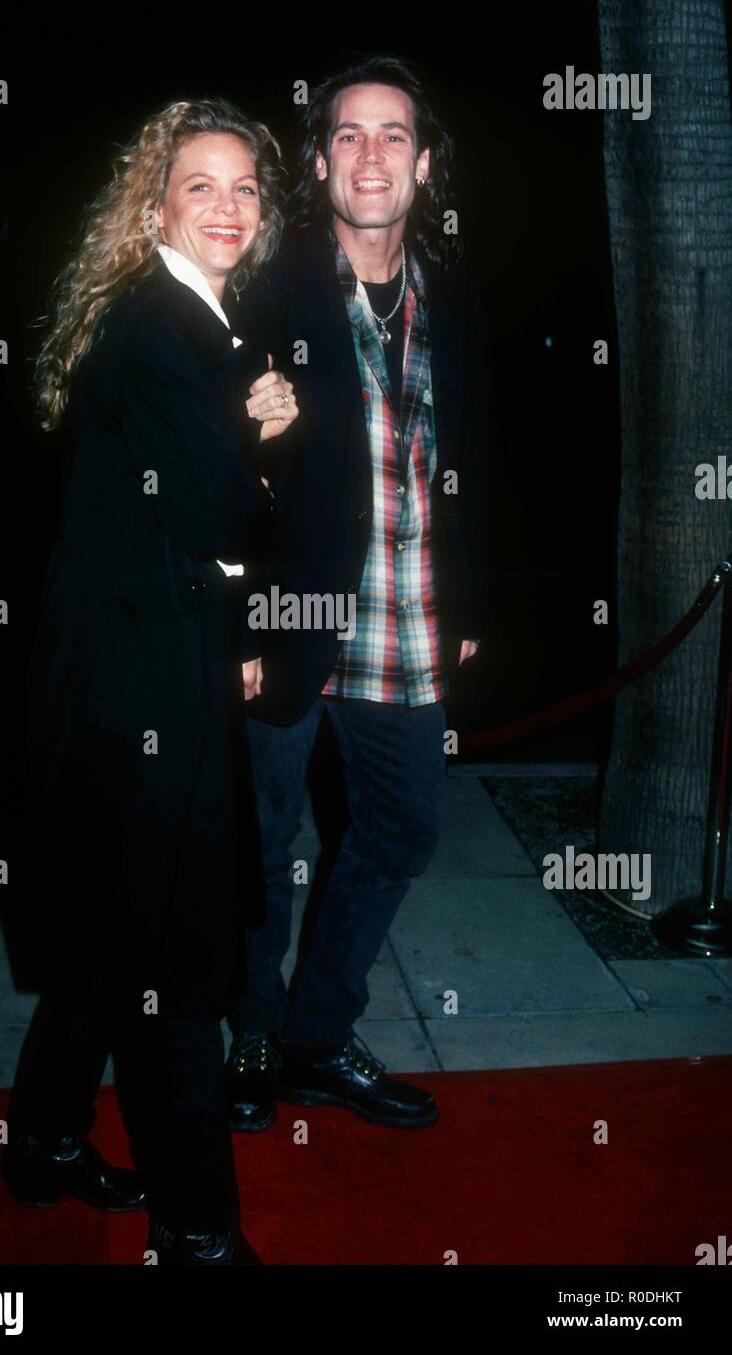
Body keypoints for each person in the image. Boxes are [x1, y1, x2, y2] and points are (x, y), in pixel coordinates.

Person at [2, 98, 298, 1265]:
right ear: (156, 203)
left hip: (112, 670)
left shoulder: (172, 321)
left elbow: (159, 504)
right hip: (138, 694)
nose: (227, 207)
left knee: (105, 926)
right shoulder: (169, 329)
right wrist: (259, 455)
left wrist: (235, 434)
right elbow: (220, 514)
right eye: (198, 186)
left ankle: (42, 1139)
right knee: (172, 960)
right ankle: (196, 1230)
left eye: (243, 188)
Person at [227, 56, 491, 1132]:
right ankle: (249, 1035)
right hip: (286, 620)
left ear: (423, 164)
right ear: (318, 157)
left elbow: (475, 458)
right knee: (258, 839)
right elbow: (206, 464)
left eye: (393, 136)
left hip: (407, 618)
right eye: (348, 134)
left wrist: (468, 605)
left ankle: (313, 1035)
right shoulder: (263, 284)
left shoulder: (454, 298)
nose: (370, 154)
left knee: (397, 833)